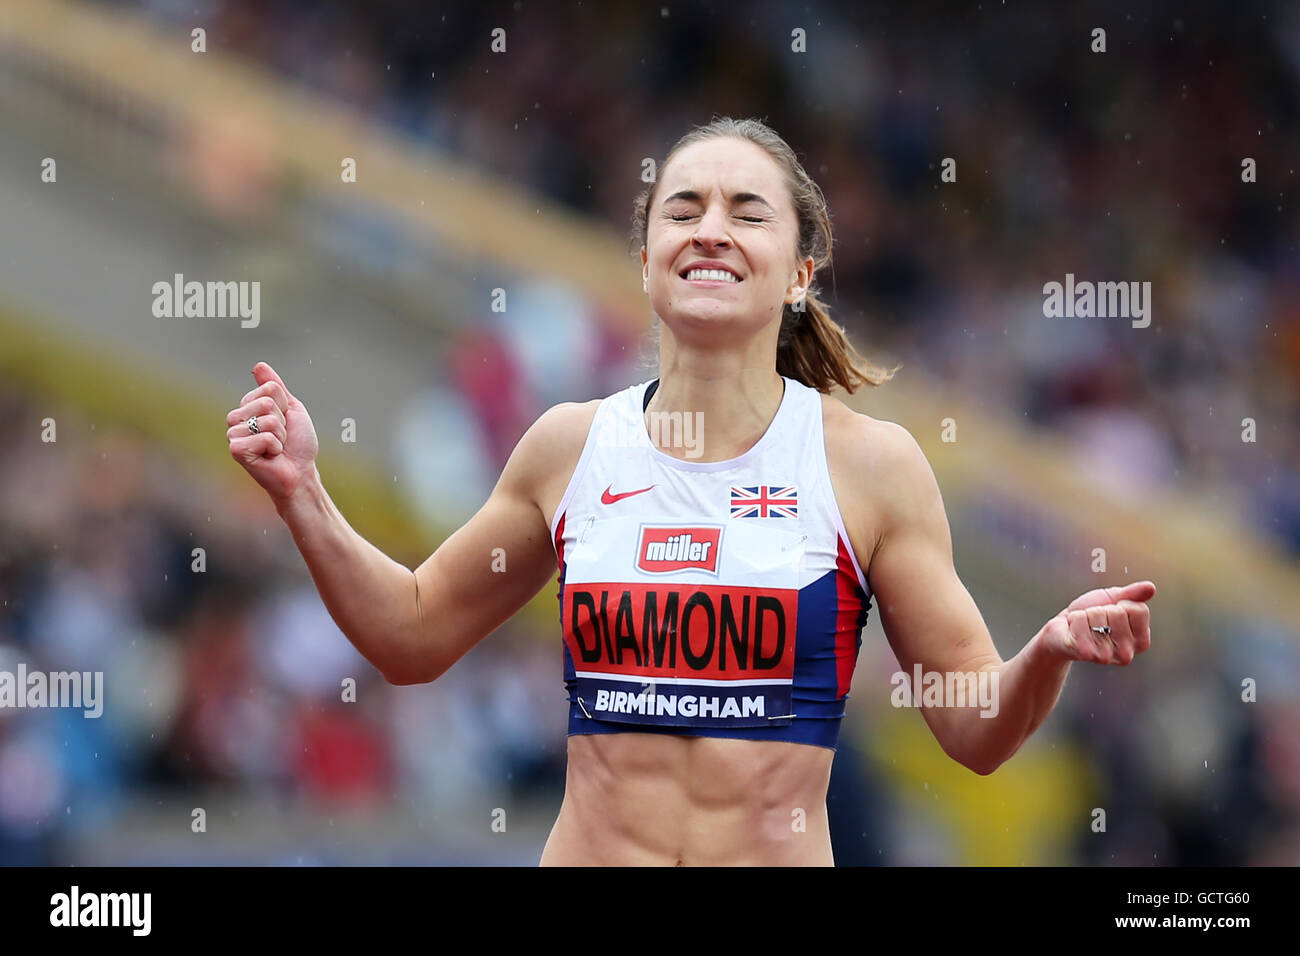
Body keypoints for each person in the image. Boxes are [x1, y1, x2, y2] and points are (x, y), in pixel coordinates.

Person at [225, 116, 1155, 866]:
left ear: (798, 274)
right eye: (684, 209)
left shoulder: (869, 467)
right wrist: (302, 490)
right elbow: (413, 633)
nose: (711, 227)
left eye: (748, 212)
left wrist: (1046, 651)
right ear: (645, 259)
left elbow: (973, 729)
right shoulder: (569, 448)